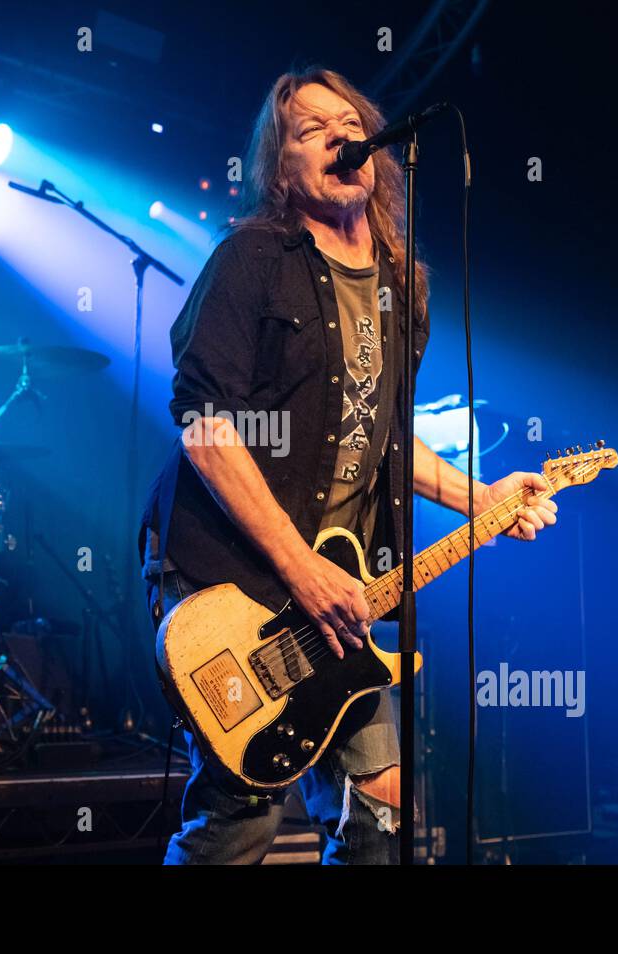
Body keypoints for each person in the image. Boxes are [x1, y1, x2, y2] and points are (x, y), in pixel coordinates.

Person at [140, 68, 558, 865]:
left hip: (339, 588)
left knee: (380, 814)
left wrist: (482, 497)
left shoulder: (404, 287)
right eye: (311, 130)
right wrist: (301, 569)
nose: (339, 136)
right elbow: (205, 425)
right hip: (232, 574)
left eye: (350, 123)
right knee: (241, 818)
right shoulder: (251, 258)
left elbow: (386, 438)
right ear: (281, 168)